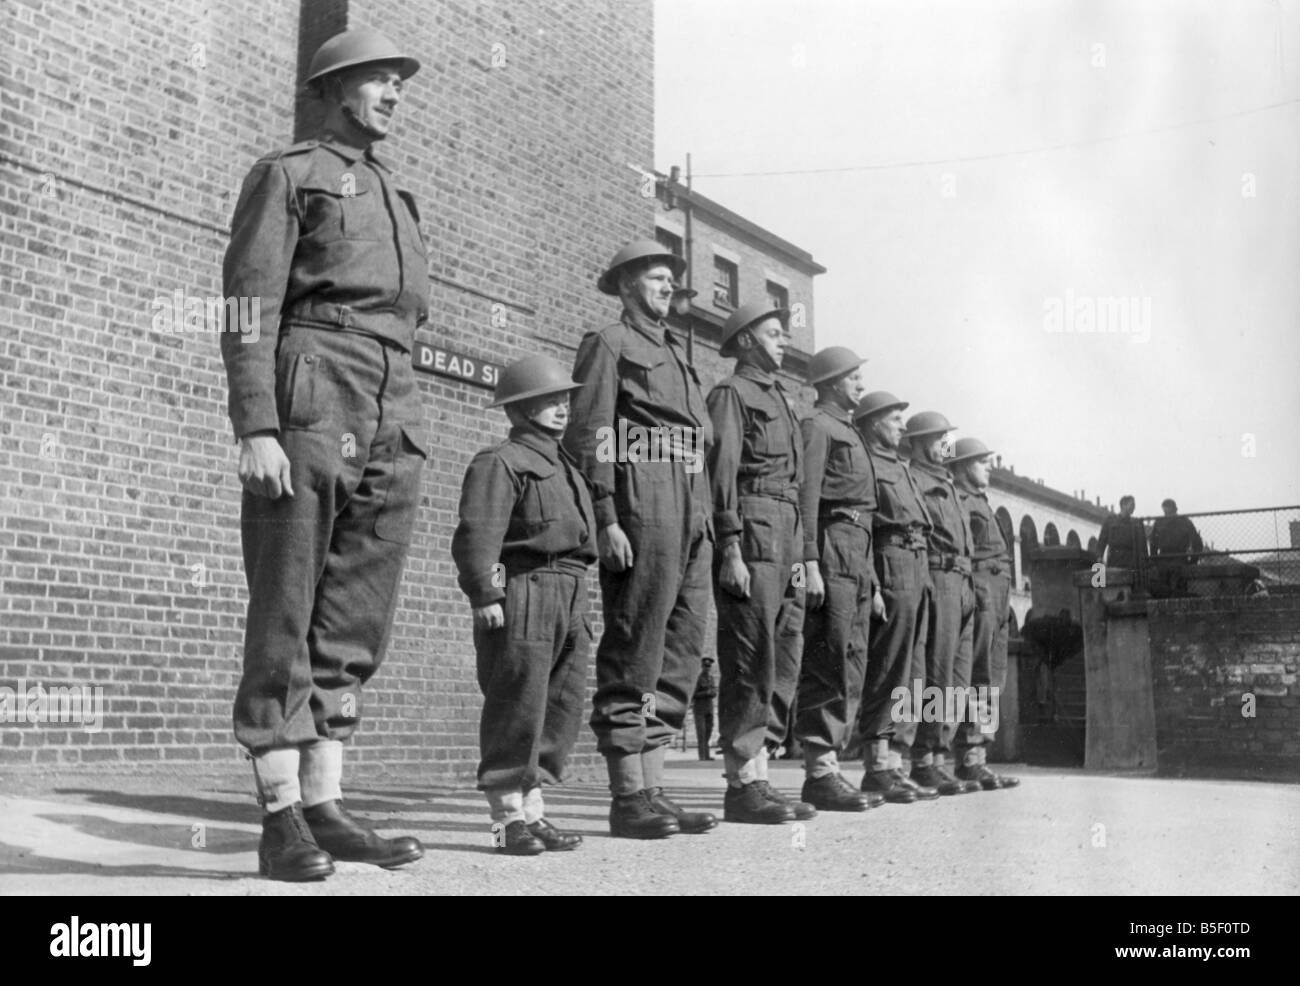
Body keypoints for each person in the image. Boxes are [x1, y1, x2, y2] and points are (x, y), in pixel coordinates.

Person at [220, 27, 429, 881]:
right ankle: (278, 816)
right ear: (337, 89)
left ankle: (325, 802)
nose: (392, 93)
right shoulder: (290, 172)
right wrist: (256, 424)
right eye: (377, 80)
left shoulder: (396, 195)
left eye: (397, 83)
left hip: (392, 395)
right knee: (287, 601)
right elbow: (244, 306)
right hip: (313, 379)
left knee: (355, 609)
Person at [563, 240, 717, 838]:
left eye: (669, 281)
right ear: (626, 285)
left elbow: (699, 441)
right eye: (655, 279)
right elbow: (591, 432)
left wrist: (704, 516)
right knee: (636, 646)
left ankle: (654, 787)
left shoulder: (678, 355)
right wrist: (605, 516)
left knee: (677, 654)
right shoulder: (608, 344)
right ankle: (627, 796)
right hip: (642, 497)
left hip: (691, 504)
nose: (665, 289)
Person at [451, 355, 596, 856]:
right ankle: (505, 820)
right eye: (548, 401)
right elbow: (479, 534)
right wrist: (487, 593)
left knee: (557, 707)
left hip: (571, 590)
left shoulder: (566, 466)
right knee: (517, 703)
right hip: (526, 589)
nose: (561, 408)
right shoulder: (501, 461)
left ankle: (533, 814)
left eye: (564, 400)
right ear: (520, 409)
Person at [706, 301, 813, 824]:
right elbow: (722, 474)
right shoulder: (731, 394)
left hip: (788, 531)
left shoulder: (786, 400)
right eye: (773, 333)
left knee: (785, 655)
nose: (784, 341)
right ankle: (741, 782)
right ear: (745, 340)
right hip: (753, 530)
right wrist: (729, 546)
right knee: (751, 658)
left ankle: (761, 773)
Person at [791, 347, 882, 812]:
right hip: (831, 544)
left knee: (854, 658)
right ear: (830, 382)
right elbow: (806, 497)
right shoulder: (817, 426)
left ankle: (832, 766)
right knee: (829, 656)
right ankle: (819, 772)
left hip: (858, 548)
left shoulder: (849, 431)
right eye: (853, 377)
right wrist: (808, 561)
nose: (860, 385)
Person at [852, 392, 939, 804]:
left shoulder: (901, 467)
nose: (902, 426)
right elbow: (865, 526)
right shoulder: (865, 461)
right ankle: (877, 764)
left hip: (917, 564)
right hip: (891, 564)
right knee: (889, 668)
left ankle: (896, 762)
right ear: (872, 424)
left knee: (912, 671)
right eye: (894, 418)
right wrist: (871, 584)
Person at [901, 412, 979, 796]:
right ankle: (923, 757)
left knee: (957, 679)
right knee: (935, 672)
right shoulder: (913, 477)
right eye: (936, 438)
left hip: (963, 581)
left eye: (946, 437)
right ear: (916, 442)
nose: (944, 444)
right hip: (939, 576)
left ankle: (941, 755)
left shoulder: (947, 483)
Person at [948, 438, 1021, 790]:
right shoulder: (959, 499)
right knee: (978, 673)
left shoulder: (980, 500)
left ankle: (979, 758)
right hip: (981, 588)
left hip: (999, 587)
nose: (989, 467)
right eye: (982, 461)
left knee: (994, 676)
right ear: (963, 466)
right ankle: (967, 757)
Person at [1149, 498, 1203, 596]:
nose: (1167, 514)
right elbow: (1153, 543)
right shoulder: (1161, 522)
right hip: (1166, 558)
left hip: (1177, 557)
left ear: (1174, 509)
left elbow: (1197, 542)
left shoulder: (1184, 522)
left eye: (1168, 510)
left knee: (1177, 585)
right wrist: (1154, 560)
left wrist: (1193, 560)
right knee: (1165, 587)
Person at [1096, 495, 1147, 569]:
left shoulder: (1136, 524)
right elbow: (1102, 541)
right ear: (1123, 505)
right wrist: (1099, 556)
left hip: (1131, 562)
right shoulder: (1110, 521)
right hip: (1114, 559)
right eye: (1132, 505)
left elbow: (1142, 546)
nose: (1134, 508)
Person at [691, 657, 717, 760]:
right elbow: (693, 694)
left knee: (709, 731)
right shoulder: (698, 679)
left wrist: (712, 693)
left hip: (709, 708)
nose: (707, 668)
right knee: (701, 732)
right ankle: (702, 756)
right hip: (699, 708)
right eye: (706, 666)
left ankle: (707, 755)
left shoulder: (711, 678)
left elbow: (714, 691)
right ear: (702, 667)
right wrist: (706, 693)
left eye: (709, 666)